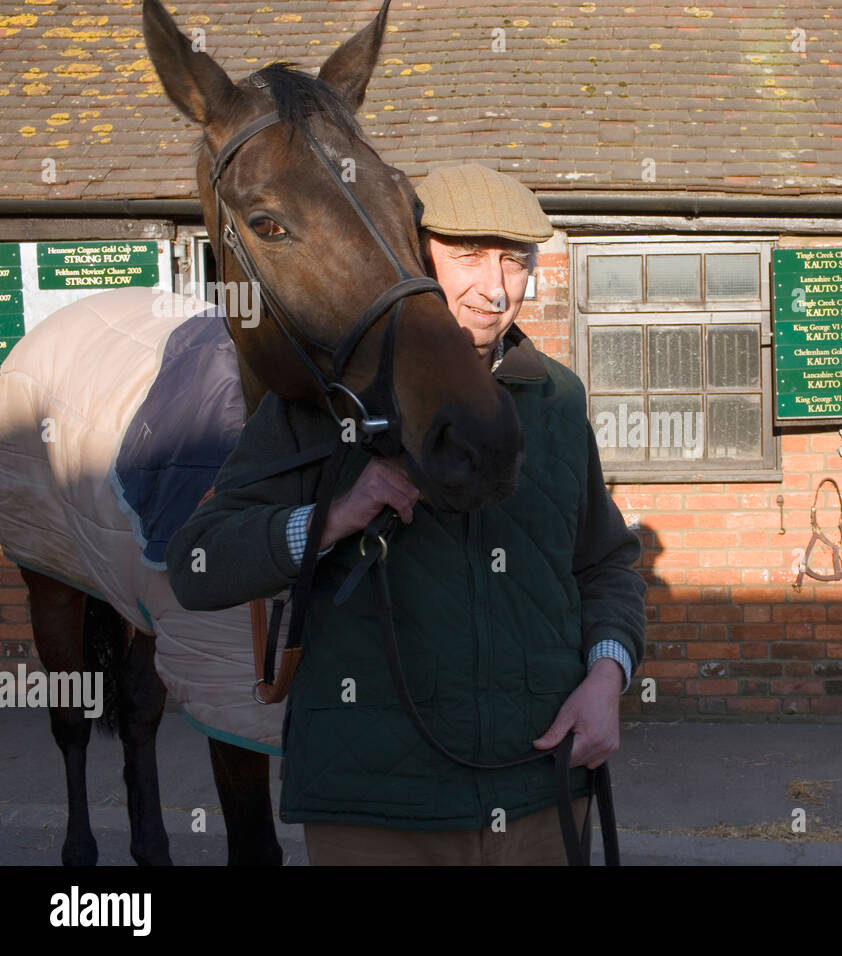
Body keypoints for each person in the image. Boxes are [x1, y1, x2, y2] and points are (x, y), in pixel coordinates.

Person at [167, 164, 646, 865]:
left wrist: (608, 681)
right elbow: (196, 566)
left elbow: (605, 564)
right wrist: (330, 517)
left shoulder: (557, 400)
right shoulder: (320, 403)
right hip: (377, 809)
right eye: (467, 256)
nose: (495, 286)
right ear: (413, 258)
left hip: (541, 787)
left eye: (515, 260)